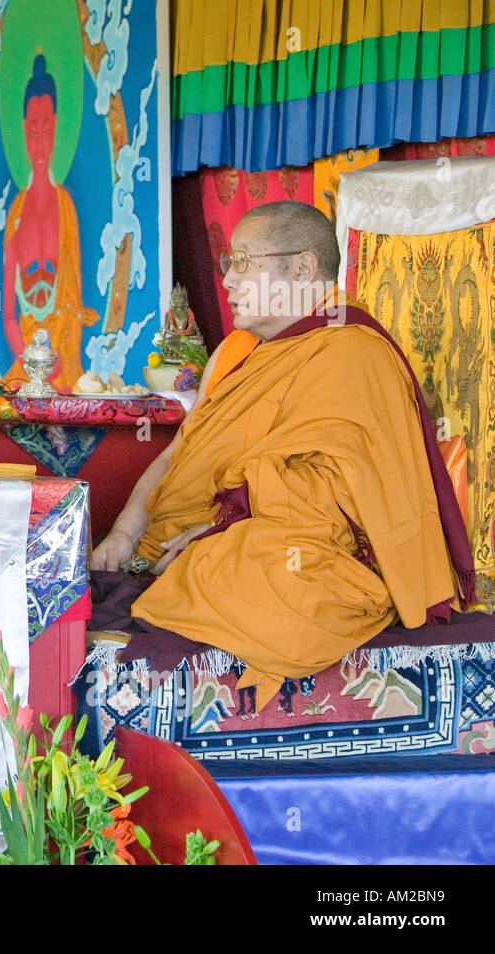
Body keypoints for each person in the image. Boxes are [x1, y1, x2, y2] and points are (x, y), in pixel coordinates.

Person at [89, 201, 474, 709]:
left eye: (243, 262)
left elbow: (347, 499)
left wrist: (228, 522)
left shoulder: (354, 352)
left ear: (302, 268)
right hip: (190, 540)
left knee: (264, 567)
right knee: (209, 563)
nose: (227, 280)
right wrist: (124, 532)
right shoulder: (235, 354)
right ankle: (181, 576)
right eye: (228, 264)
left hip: (292, 547)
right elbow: (177, 456)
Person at [2, 52, 100, 390]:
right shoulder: (15, 214)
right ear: (23, 135)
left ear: (57, 129)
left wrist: (56, 365)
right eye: (32, 132)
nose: (40, 144)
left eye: (46, 131)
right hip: (24, 367)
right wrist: (31, 363)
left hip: (65, 361)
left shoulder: (66, 208)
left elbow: (73, 302)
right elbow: (9, 317)